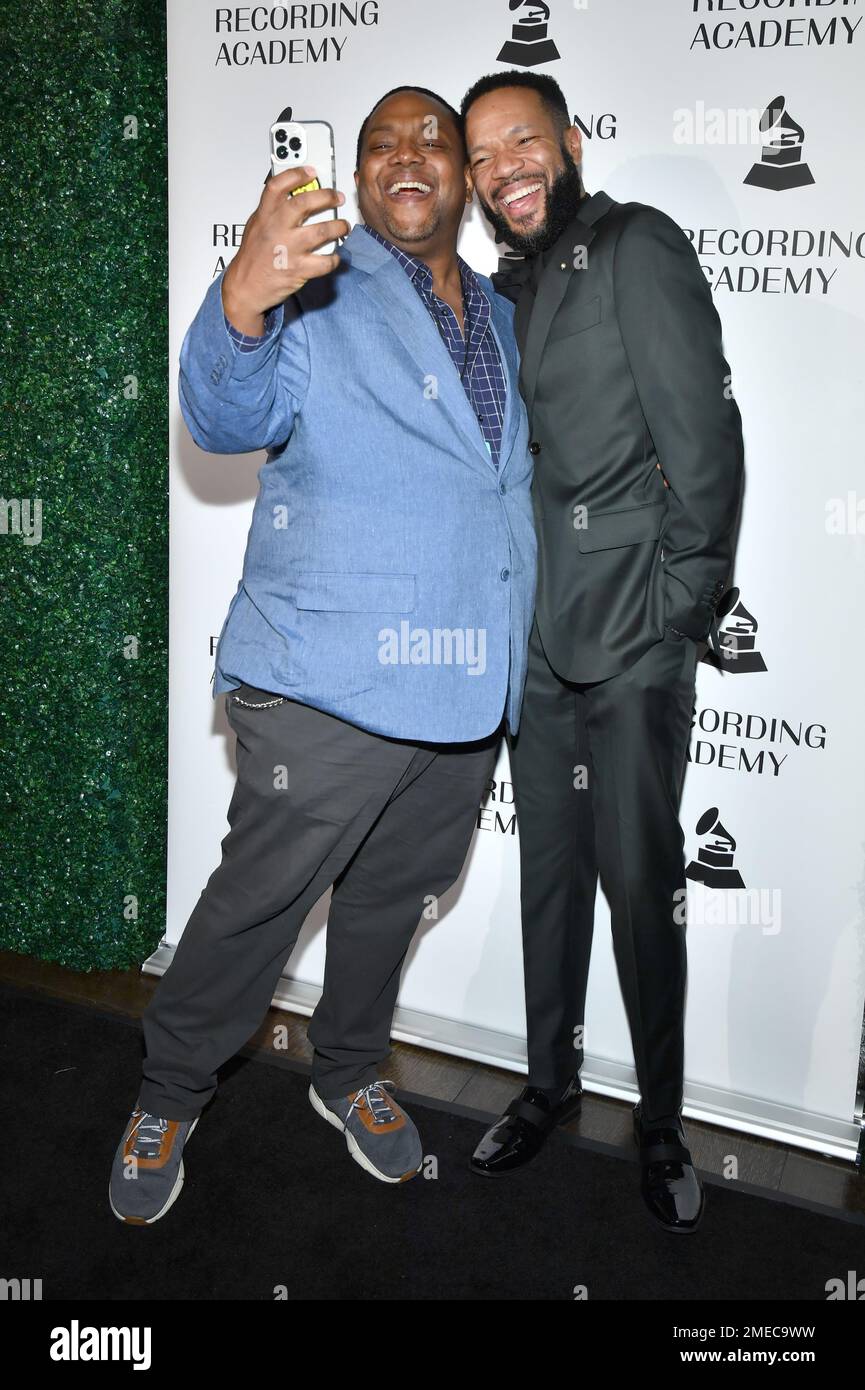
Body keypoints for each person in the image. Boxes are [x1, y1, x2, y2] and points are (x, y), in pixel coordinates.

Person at [109, 85, 536, 1223]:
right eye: (380, 143)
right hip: (321, 687)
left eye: (430, 140)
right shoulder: (316, 294)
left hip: (462, 691)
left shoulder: (502, 316)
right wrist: (243, 300)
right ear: (357, 179)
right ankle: (169, 1090)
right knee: (258, 903)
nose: (407, 156)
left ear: (460, 176)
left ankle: (347, 1070)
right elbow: (223, 412)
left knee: (393, 898)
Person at [461, 70, 744, 1232]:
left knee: (642, 890)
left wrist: (675, 615)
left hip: (631, 639)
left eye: (523, 140)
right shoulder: (490, 299)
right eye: (483, 155)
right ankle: (547, 1086)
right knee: (547, 889)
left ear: (569, 143)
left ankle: (662, 1122)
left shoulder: (635, 246)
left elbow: (706, 440)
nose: (504, 167)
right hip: (534, 644)